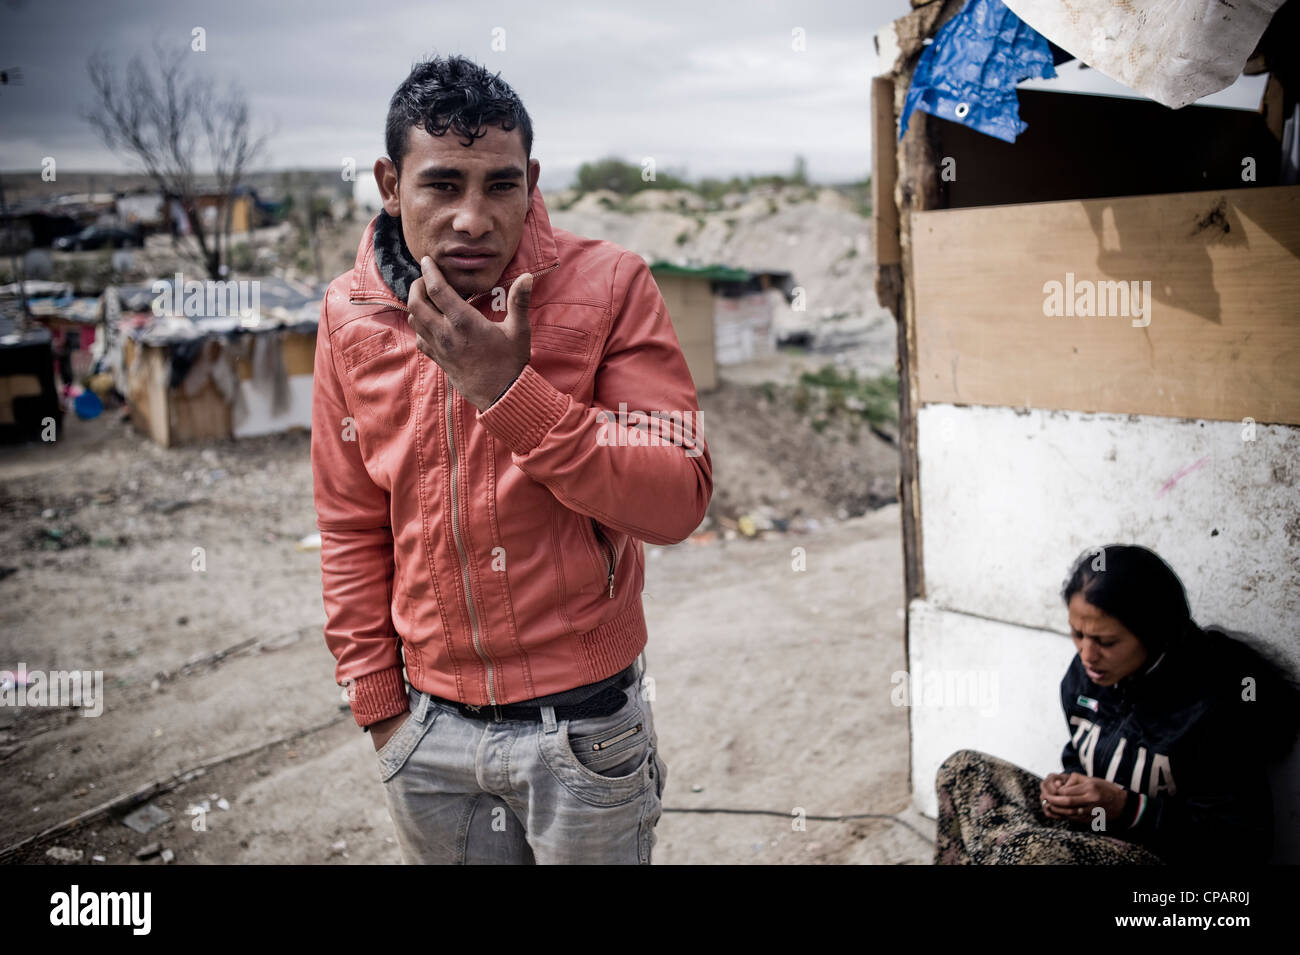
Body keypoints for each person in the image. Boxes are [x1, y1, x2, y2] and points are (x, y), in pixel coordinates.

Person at [310, 54, 712, 864]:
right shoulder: (349, 316)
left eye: (499, 185)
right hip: (427, 738)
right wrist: (380, 709)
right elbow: (350, 524)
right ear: (390, 184)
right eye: (442, 185)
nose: (471, 217)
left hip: (585, 730)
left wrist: (507, 390)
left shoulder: (609, 285)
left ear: (530, 178)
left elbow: (678, 498)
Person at [934, 544, 1299, 864]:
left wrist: (1129, 807)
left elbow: (1244, 843)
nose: (1087, 655)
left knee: (1028, 853)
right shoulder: (1086, 676)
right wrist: (1065, 788)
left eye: (1106, 642)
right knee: (964, 769)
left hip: (1161, 858)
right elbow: (1081, 751)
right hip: (1092, 833)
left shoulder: (1212, 705)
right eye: (1078, 634)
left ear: (1154, 635)